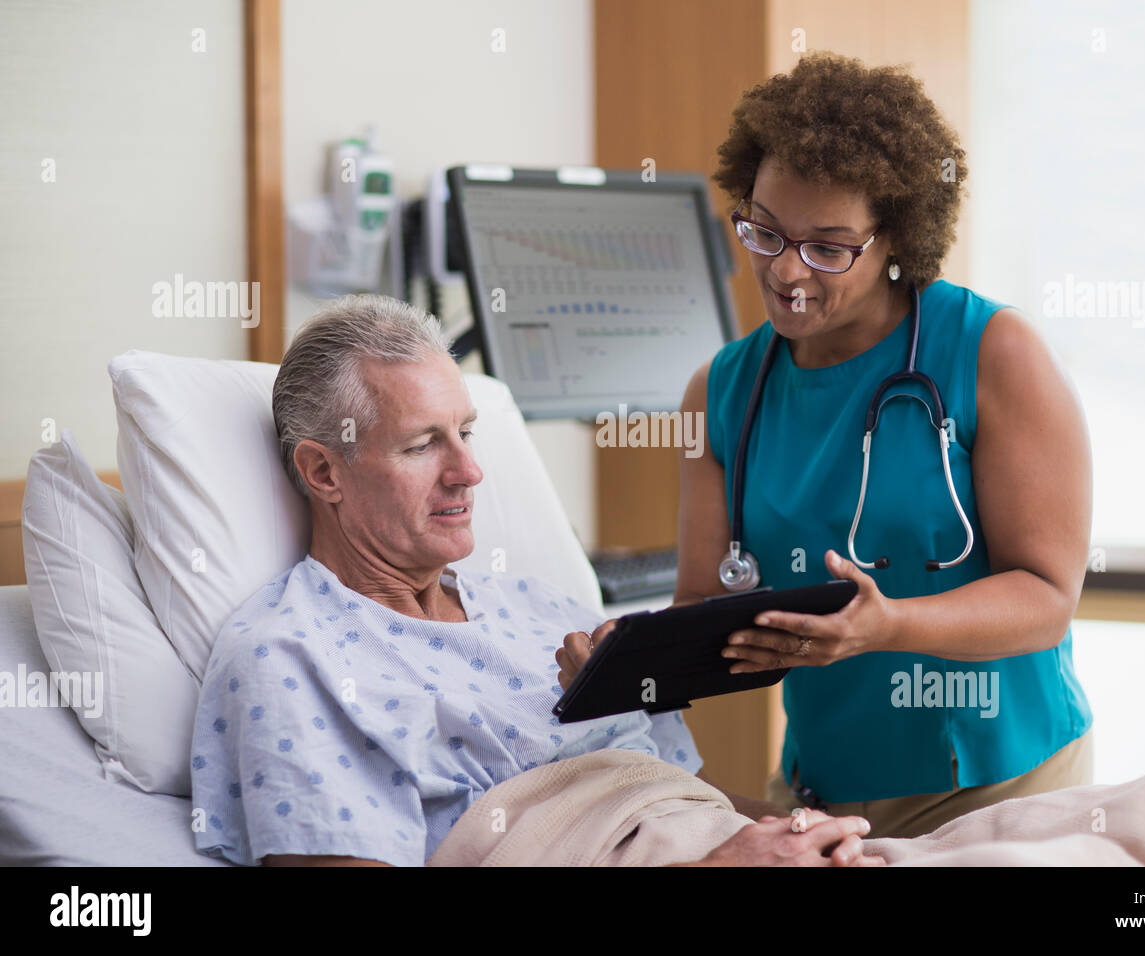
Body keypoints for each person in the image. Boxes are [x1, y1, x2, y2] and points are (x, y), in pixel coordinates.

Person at [189, 294, 880, 867]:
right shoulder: (291, 657)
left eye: (465, 433)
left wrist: (817, 835)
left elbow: (683, 798)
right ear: (323, 472)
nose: (469, 472)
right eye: (422, 444)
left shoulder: (543, 610)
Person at [671, 52, 1094, 838]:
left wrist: (887, 625)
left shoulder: (993, 353)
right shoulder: (722, 390)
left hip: (998, 786)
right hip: (821, 792)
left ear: (897, 236)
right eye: (765, 230)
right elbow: (704, 608)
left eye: (828, 247)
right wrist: (627, 660)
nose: (786, 270)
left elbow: (1045, 596)